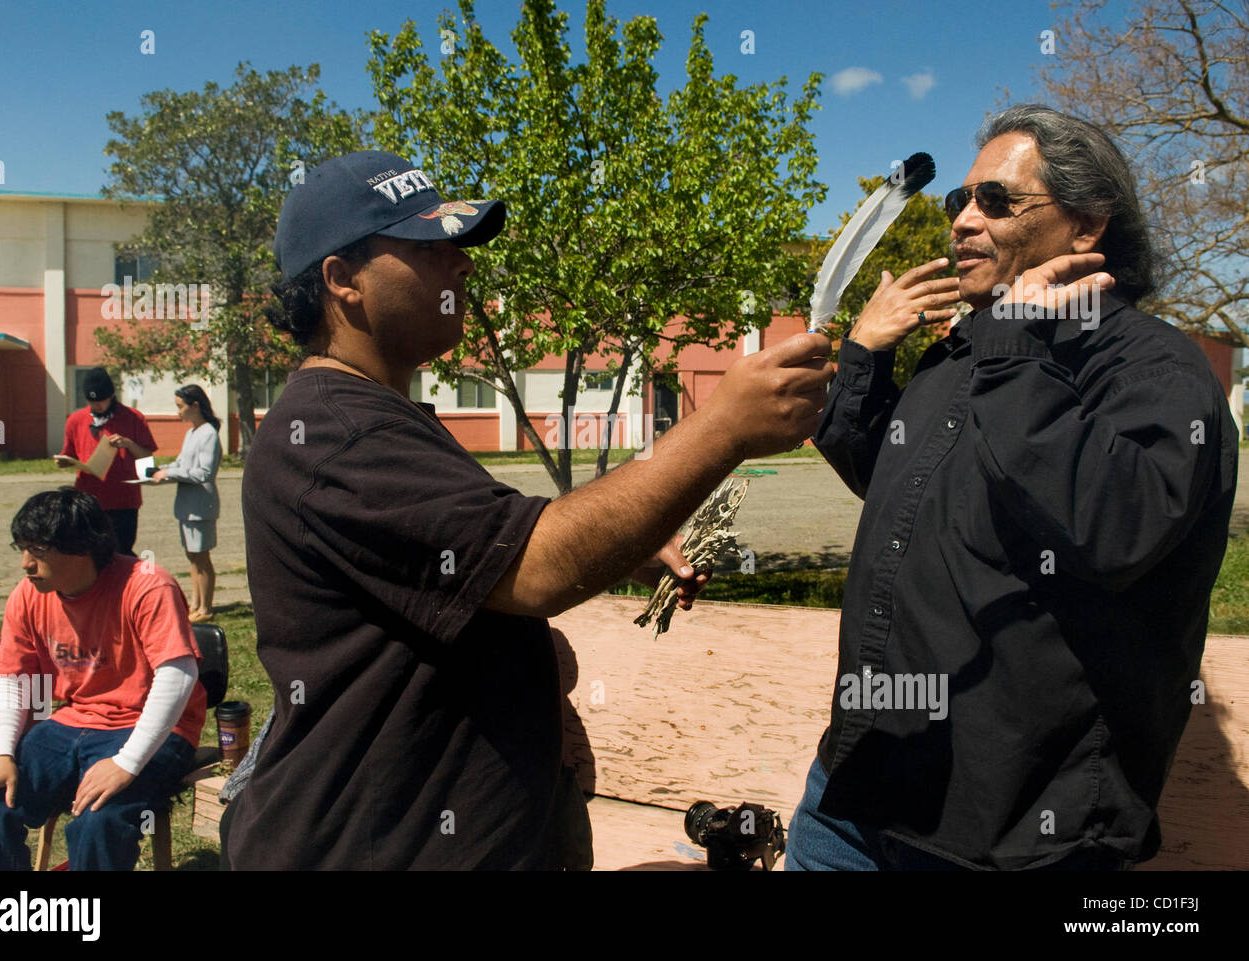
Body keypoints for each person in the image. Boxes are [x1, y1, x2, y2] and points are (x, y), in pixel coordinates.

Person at [222, 149, 835, 869]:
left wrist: (624, 545)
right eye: (428, 245)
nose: (461, 264)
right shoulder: (334, 431)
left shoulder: (375, 414)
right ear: (342, 279)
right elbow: (539, 563)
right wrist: (725, 425)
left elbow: (480, 549)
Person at [786, 104, 1239, 871]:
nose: (962, 220)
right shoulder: (969, 353)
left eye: (994, 200)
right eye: (955, 202)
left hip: (1009, 831)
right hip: (858, 790)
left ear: (1089, 226)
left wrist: (1020, 357)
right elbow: (894, 484)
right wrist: (864, 355)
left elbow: (1117, 529)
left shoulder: (1153, 371)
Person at [0, 487, 208, 870]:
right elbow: (12, 680)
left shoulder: (147, 585)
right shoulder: (26, 596)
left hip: (151, 729)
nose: (25, 564)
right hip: (73, 721)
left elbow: (178, 674)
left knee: (98, 822)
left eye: (38, 551)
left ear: (81, 547)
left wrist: (127, 762)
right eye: (22, 549)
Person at [55, 367, 158, 555]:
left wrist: (128, 444)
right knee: (90, 553)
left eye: (101, 401)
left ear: (111, 395)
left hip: (123, 499)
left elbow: (146, 456)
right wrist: (64, 462)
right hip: (88, 499)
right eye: (91, 402)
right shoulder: (75, 420)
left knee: (121, 552)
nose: (96, 406)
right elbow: (68, 454)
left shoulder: (133, 418)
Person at [150, 385, 223, 623]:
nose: (178, 412)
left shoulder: (209, 433)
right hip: (186, 505)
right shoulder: (192, 433)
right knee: (192, 557)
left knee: (202, 558)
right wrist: (161, 471)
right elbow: (181, 463)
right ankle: (195, 603)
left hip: (201, 505)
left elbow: (204, 473)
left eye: (180, 407)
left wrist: (171, 474)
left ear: (195, 406)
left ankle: (206, 608)